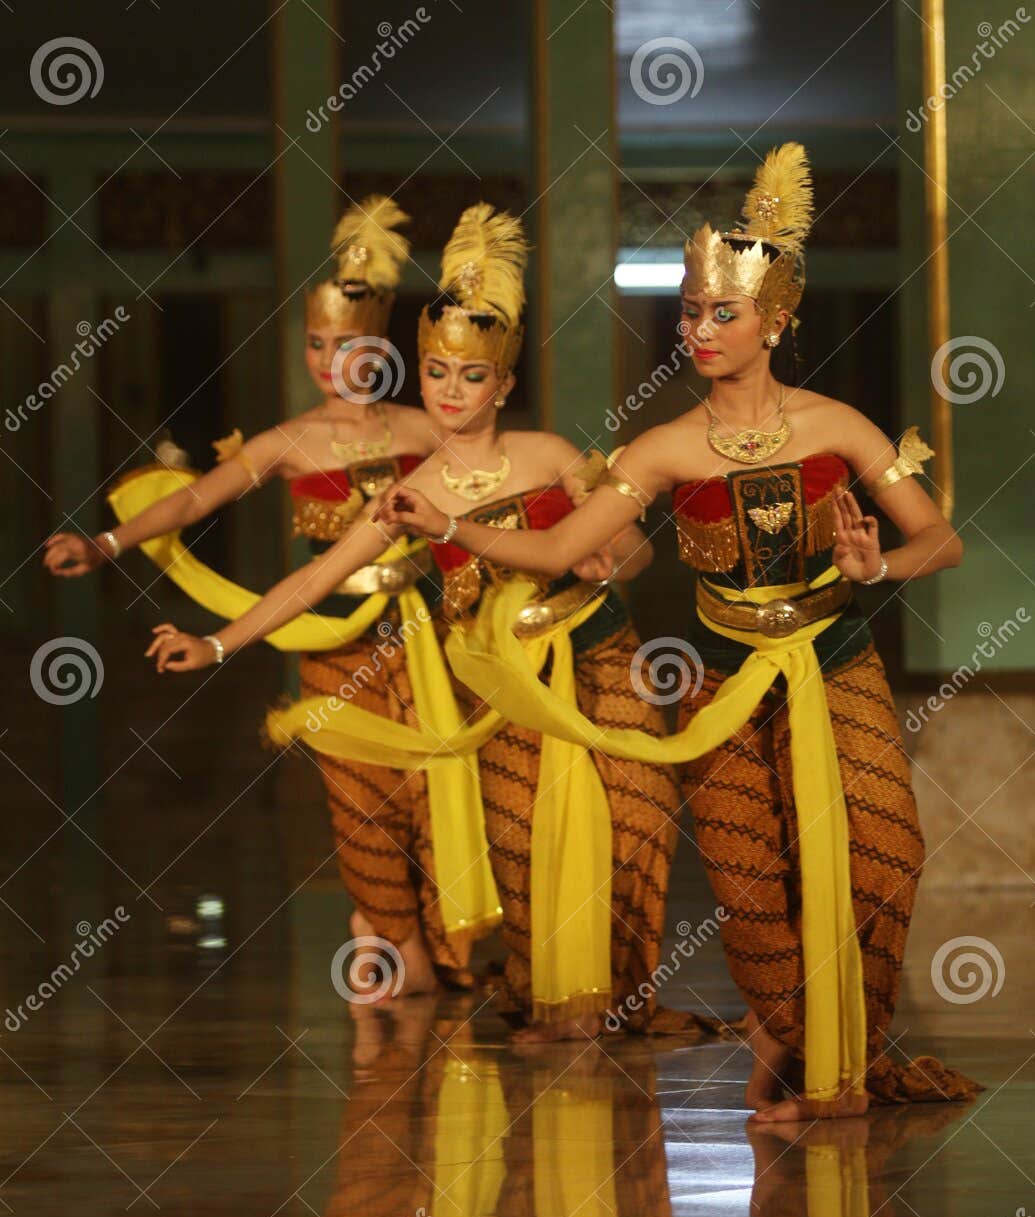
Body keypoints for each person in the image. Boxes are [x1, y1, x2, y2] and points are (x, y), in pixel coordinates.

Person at [376, 145, 979, 1117]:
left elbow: (941, 539)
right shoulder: (660, 448)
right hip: (724, 676)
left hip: (835, 658)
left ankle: (848, 1054)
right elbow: (565, 544)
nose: (698, 327)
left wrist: (879, 567)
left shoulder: (840, 426)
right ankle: (785, 1036)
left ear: (776, 320)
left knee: (886, 849)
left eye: (721, 312)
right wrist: (448, 525)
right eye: (691, 311)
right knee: (751, 871)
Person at [146, 204, 730, 1047]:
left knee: (635, 826)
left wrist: (609, 560)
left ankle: (617, 995)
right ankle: (554, 1004)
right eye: (436, 373)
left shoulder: (552, 455)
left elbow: (636, 549)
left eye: (469, 376)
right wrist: (215, 642)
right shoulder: (406, 497)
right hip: (504, 689)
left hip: (599, 657)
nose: (451, 391)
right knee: (525, 849)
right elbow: (312, 579)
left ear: (503, 384)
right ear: (417, 378)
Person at [45, 197, 493, 996]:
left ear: (379, 348)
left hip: (423, 630)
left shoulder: (427, 431)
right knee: (358, 797)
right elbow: (191, 501)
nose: (329, 359)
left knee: (437, 783)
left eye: (347, 343)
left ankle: (432, 939)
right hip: (328, 634)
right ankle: (390, 937)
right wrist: (104, 543)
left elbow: (493, 498)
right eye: (316, 343)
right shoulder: (289, 442)